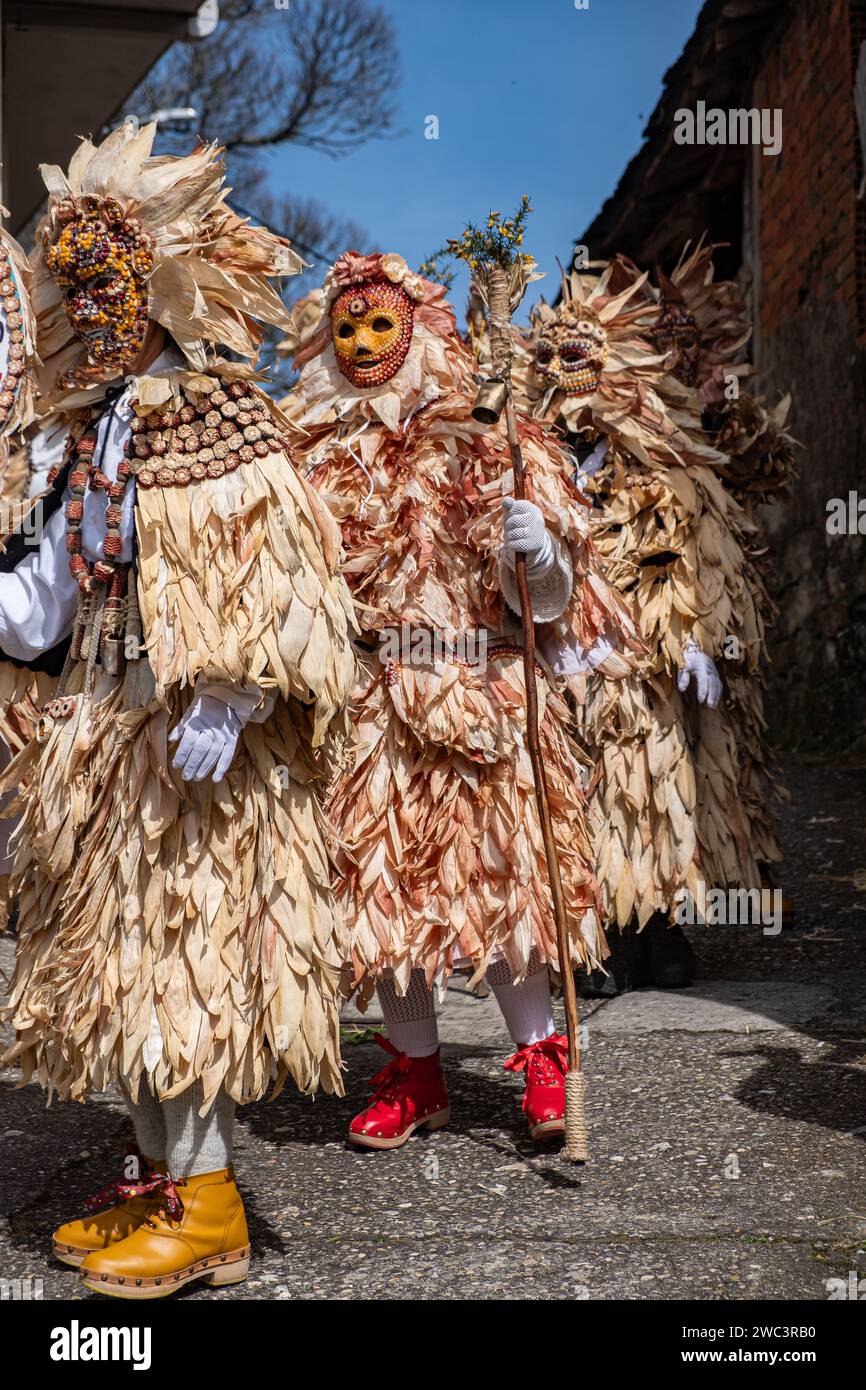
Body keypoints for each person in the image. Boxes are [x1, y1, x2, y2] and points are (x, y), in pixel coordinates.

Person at [0, 122, 355, 1298]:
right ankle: (161, 1180)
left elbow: (282, 567)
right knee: (126, 970)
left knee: (182, 972)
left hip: (197, 749)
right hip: (106, 737)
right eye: (67, 282)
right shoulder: (86, 429)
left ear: (160, 277)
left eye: (102, 276)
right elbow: (46, 598)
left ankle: (208, 1206)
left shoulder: (225, 417)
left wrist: (237, 691)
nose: (83, 302)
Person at [284, 250, 636, 1148]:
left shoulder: (483, 428)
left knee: (503, 879)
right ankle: (419, 1075)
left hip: (480, 687)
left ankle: (544, 1060)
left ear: (419, 332)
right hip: (366, 703)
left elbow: (545, 604)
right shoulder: (309, 454)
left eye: (379, 323)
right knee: (384, 893)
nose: (363, 341)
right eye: (347, 327)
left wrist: (542, 554)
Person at [515, 259, 773, 993]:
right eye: (553, 359)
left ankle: (660, 925)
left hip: (637, 656)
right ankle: (595, 933)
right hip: (561, 655)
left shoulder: (658, 465)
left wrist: (694, 637)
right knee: (582, 798)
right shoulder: (530, 468)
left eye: (583, 358)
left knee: (649, 791)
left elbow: (693, 553)